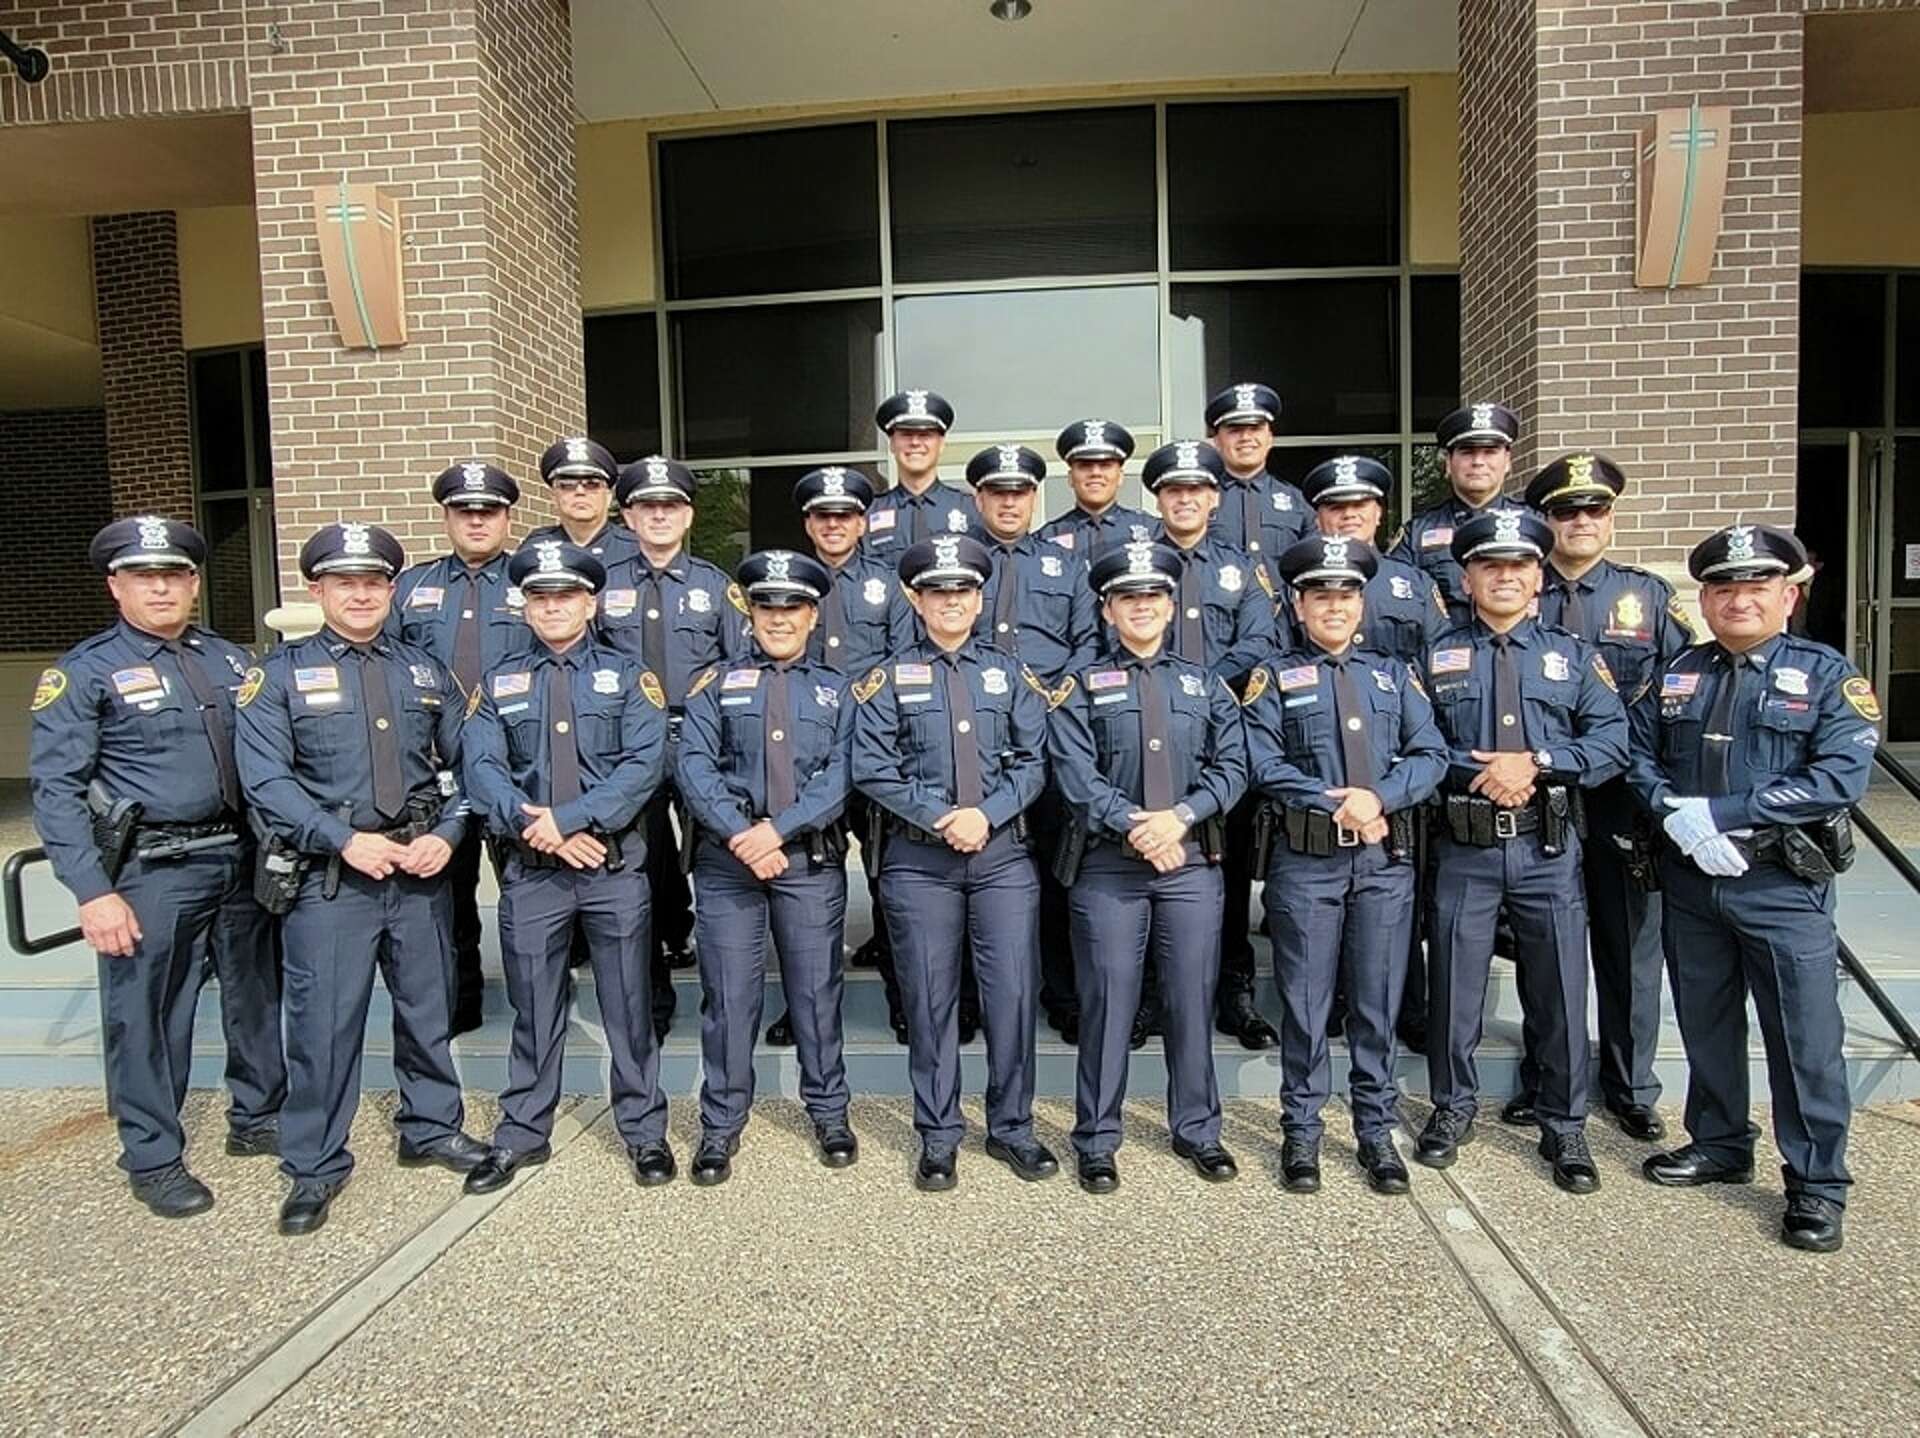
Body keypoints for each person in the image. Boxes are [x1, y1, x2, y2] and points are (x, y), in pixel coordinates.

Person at [1627, 522, 1877, 1254]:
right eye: (1723, 588)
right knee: (1705, 1020)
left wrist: (1725, 814)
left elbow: (1837, 778)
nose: (1738, 600)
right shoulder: (1680, 673)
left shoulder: (1826, 675)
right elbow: (1637, 752)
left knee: (1803, 1037)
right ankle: (1720, 1141)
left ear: (1788, 596)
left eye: (1756, 586)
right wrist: (1672, 812)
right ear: (1705, 599)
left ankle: (1817, 1182)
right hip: (1692, 878)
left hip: (1779, 882)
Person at [29, 517, 285, 1218]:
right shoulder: (85, 672)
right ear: (116, 586)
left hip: (239, 855)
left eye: (174, 575)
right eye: (145, 577)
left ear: (194, 582)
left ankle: (257, 1116)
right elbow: (56, 792)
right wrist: (92, 891)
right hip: (153, 869)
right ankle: (152, 1154)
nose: (162, 588)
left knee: (255, 996)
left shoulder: (230, 661)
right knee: (148, 1015)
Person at [235, 522, 485, 1236]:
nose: (361, 595)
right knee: (323, 1027)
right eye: (345, 583)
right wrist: (343, 840)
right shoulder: (277, 677)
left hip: (417, 871)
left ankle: (431, 1128)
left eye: (374, 582)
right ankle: (314, 1164)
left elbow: (468, 764)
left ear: (392, 589)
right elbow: (266, 783)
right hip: (331, 882)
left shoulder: (425, 672)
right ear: (317, 591)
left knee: (427, 1010)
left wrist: (446, 834)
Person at [1413, 509, 1628, 1194]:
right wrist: (1481, 771)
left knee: (1559, 989)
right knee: (1455, 989)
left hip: (1547, 847)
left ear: (1538, 577)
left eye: (1518, 566)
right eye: (1489, 566)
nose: (1504, 576)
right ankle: (1453, 1108)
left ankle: (1564, 1123)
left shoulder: (1574, 657)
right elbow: (1412, 743)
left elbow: (1612, 741)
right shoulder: (1432, 656)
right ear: (1467, 578)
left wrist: (1537, 762)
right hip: (1465, 847)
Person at [459, 540, 675, 1194]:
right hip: (532, 873)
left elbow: (644, 766)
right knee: (533, 1005)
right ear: (526, 606)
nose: (553, 607)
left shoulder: (630, 677)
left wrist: (572, 819)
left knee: (628, 1006)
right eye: (540, 597)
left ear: (590, 602)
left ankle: (644, 1131)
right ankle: (523, 1131)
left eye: (566, 596)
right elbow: (482, 768)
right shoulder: (497, 682)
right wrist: (542, 829)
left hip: (611, 869)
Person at [850, 535, 1056, 1191]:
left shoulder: (1011, 674)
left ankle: (1012, 1127)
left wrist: (985, 815)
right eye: (937, 592)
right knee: (930, 1000)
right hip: (919, 862)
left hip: (1002, 859)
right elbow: (872, 767)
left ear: (979, 597)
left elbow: (1034, 762)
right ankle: (938, 1135)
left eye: (962, 590)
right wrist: (944, 816)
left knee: (1011, 997)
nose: (951, 602)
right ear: (916, 599)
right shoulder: (885, 679)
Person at [1243, 535, 1447, 1194]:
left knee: (1375, 1003)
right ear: (1298, 605)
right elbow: (1260, 760)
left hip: (1383, 865)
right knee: (1304, 1006)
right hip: (1307, 863)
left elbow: (1431, 754)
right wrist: (1336, 802)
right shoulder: (1274, 676)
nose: (1334, 606)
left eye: (1346, 595)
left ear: (1362, 603)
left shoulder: (1393, 674)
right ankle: (1301, 1130)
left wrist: (1379, 798)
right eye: (1320, 595)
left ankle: (1375, 1130)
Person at [1047, 540, 1248, 1193]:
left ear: (1170, 604)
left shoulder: (1205, 683)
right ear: (1108, 610)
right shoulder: (1079, 687)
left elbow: (1233, 767)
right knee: (1108, 1003)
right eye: (1127, 598)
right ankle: (1097, 1138)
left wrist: (1180, 817)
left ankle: (1198, 1130)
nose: (1141, 606)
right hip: (1110, 869)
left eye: (1153, 595)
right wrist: (1139, 824)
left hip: (1188, 864)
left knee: (1190, 1000)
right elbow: (1076, 777)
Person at [1516, 452, 1694, 1139]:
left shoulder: (1645, 598)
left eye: (1594, 509)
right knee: (1545, 948)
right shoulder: (1518, 588)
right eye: (1566, 511)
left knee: (1628, 947)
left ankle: (1630, 1086)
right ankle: (1544, 1077)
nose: (1581, 521)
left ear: (1612, 517)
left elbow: (1680, 695)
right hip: (1539, 800)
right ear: (1546, 520)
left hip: (1621, 798)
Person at [677, 550, 859, 1183]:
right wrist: (743, 833)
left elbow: (843, 774)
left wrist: (777, 830)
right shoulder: (713, 685)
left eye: (793, 608)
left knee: (815, 994)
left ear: (813, 615)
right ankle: (721, 1124)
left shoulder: (840, 691)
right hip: (728, 863)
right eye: (766, 607)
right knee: (729, 997)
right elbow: (694, 766)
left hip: (807, 859)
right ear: (750, 614)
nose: (779, 618)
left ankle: (829, 1112)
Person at [1294, 454, 1450, 1052]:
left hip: (1393, 775)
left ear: (1380, 512)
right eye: (1335, 506)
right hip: (1322, 769)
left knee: (1395, 922)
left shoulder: (1413, 584)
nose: (1348, 515)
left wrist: (1388, 790)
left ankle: (1405, 1010)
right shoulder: (1299, 589)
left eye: (1359, 504)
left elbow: (1439, 667)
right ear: (1319, 517)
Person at [596, 454, 749, 1037]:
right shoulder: (602, 586)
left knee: (715, 860)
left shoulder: (717, 587)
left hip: (699, 741)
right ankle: (654, 998)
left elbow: (739, 671)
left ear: (688, 516)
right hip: (628, 746)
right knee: (641, 867)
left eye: (671, 506)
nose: (659, 516)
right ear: (629, 517)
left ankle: (722, 993)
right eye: (646, 506)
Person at [763, 465, 916, 1048]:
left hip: (872, 751)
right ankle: (799, 1007)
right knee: (803, 889)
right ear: (808, 523)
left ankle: (903, 998)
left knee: (887, 882)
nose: (834, 525)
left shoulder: (888, 584)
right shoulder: (786, 587)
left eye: (845, 516)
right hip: (804, 758)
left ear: (862, 522)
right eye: (823, 516)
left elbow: (904, 664)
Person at [1142, 438, 1278, 1049]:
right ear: (1159, 498)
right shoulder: (1135, 567)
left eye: (1196, 489)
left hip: (1224, 739)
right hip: (1149, 736)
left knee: (1229, 870)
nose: (1185, 499)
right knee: (1148, 863)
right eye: (1174, 490)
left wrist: (1197, 689)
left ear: (1215, 498)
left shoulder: (1243, 570)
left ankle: (1233, 993)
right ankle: (1151, 997)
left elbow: (1260, 643)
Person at [387, 460, 531, 1033]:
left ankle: (538, 1003)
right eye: (464, 511)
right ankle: (460, 1002)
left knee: (528, 889)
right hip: (439, 766)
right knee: (448, 892)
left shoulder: (533, 582)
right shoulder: (412, 588)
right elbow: (390, 667)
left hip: (517, 764)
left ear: (506, 518)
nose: (476, 521)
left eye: (488, 511)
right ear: (446, 517)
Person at [966, 442, 1099, 1041]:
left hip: (1046, 735)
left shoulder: (1065, 564)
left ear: (1034, 497)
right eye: (998, 493)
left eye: (1019, 492)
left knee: (1053, 869)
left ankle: (1062, 993)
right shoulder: (958, 565)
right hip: (973, 734)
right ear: (979, 499)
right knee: (972, 865)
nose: (1009, 502)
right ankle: (969, 997)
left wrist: (1053, 697)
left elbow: (1089, 641)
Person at [1390, 404, 1528, 625]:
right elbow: (1399, 599)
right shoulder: (1416, 533)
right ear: (1448, 462)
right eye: (1467, 452)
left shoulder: (1533, 525)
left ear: (1508, 461)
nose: (1478, 462)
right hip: (1441, 643)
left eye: (1490, 451)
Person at [1202, 381, 1310, 591]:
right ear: (1217, 441)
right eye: (1235, 430)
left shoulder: (1298, 503)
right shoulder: (1198, 502)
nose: (1246, 437)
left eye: (1255, 428)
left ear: (1270, 438)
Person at [863, 390, 975, 556]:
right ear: (892, 444)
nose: (915, 442)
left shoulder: (971, 509)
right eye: (906, 434)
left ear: (941, 444)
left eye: (925, 434)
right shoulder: (869, 513)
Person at [1035, 419, 1153, 558]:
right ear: (1070, 477)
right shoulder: (1045, 539)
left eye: (1105, 465)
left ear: (1120, 476)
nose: (1095, 473)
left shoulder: (1152, 531)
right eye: (1085, 465)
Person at [522, 436, 639, 566]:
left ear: (608, 496)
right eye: (567, 485)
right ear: (553, 496)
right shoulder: (533, 549)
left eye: (592, 484)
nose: (580, 491)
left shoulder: (636, 550)